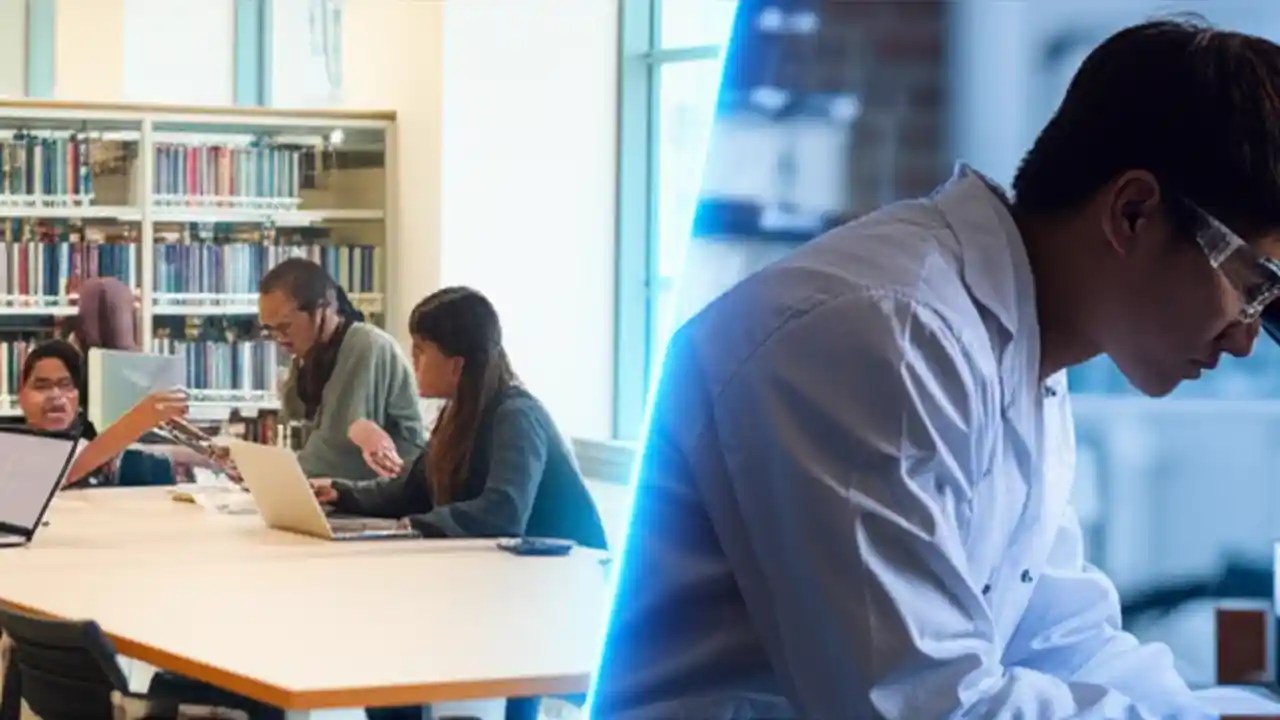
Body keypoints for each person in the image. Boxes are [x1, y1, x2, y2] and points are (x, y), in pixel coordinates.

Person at [590, 18, 1280, 720]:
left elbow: (1059, 640)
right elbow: (924, 707)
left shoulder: (1015, 346)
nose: (1249, 339)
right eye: (1256, 286)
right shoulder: (886, 333)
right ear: (1132, 213)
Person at [311, 287, 608, 720]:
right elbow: (411, 489)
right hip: (504, 580)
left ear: (456, 364)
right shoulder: (458, 414)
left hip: (557, 590)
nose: (412, 362)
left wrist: (411, 526)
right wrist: (340, 491)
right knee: (387, 645)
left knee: (393, 640)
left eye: (421, 350)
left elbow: (503, 511)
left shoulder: (516, 414)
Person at [258, 258, 423, 480]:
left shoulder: (366, 345)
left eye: (285, 326)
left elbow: (338, 447)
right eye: (270, 330)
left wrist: (274, 474)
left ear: (321, 310)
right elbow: (296, 425)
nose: (279, 338)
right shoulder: (308, 355)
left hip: (383, 495)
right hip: (343, 495)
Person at [14, 339, 192, 488]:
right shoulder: (12, 450)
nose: (55, 395)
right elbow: (71, 469)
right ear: (21, 397)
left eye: (66, 384)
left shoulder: (82, 445)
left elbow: (139, 451)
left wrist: (211, 453)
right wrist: (141, 418)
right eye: (42, 386)